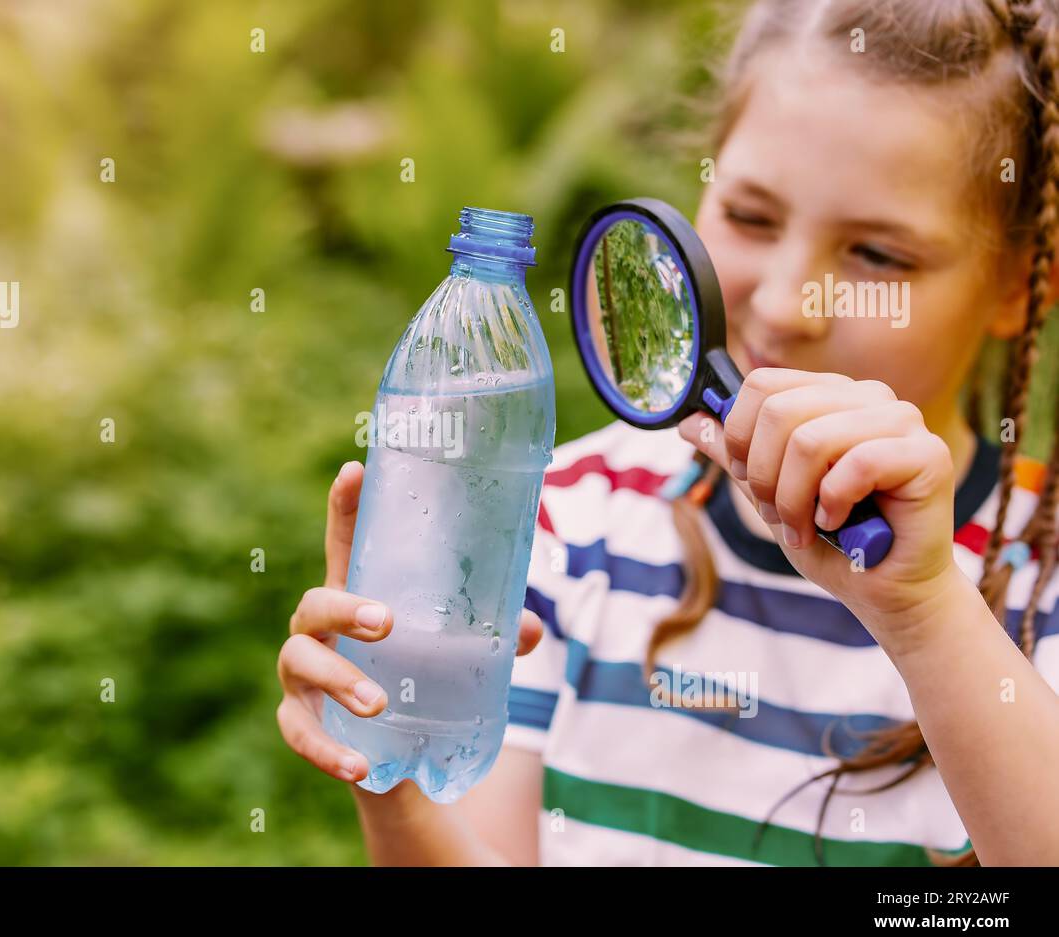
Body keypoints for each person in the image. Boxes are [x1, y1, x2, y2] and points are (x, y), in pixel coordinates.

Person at [277, 0, 1059, 865]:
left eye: (879, 256)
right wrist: (387, 766)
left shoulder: (1041, 584)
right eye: (752, 218)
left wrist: (924, 617)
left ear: (1021, 286)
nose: (783, 304)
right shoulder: (567, 525)